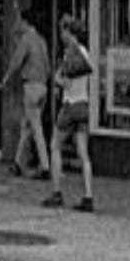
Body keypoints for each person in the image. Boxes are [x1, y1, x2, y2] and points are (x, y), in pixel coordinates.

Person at [42, 15, 97, 213]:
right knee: (83, 153)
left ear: (67, 32)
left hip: (69, 105)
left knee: (54, 145)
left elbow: (65, 82)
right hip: (83, 104)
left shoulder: (70, 54)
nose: (60, 35)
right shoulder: (85, 52)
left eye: (62, 31)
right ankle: (88, 196)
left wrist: (56, 79)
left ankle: (57, 192)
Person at [2, 5, 51, 178]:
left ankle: (45, 166)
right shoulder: (42, 41)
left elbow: (17, 60)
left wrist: (7, 77)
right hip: (43, 86)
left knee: (35, 127)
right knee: (27, 127)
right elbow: (48, 66)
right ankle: (17, 164)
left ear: (25, 22)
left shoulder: (27, 39)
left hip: (30, 86)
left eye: (21, 21)